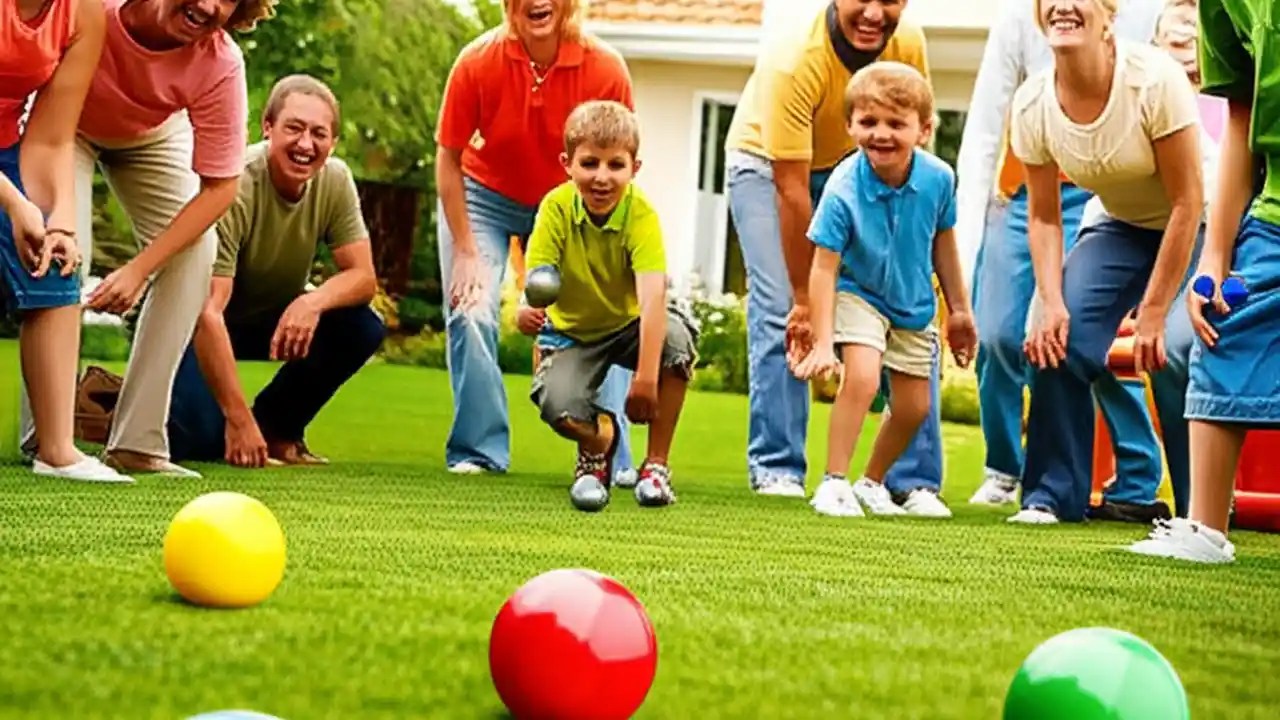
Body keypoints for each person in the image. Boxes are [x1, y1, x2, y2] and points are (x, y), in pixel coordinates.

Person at [17, 0, 278, 478]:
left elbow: (220, 189)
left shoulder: (219, 62)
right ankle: (45, 436)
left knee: (197, 248)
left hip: (148, 135)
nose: (207, 5)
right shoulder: (99, 8)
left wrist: (140, 269)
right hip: (62, 125)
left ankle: (137, 441)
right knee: (65, 248)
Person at [724, 0, 951, 517]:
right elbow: (791, 189)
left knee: (905, 301)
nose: (874, 12)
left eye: (889, 0)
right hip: (770, 168)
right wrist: (806, 297)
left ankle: (911, 480)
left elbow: (919, 137)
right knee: (781, 305)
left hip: (865, 164)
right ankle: (779, 466)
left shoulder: (908, 42)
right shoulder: (795, 61)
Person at [955, 0, 1170, 520]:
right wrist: (967, 235)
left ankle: (1138, 473)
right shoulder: (1018, 18)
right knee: (1005, 335)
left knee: (1078, 334)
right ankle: (1006, 468)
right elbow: (986, 126)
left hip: (1106, 188)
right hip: (1023, 192)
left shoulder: (1143, 11)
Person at [1007, 0, 1203, 525]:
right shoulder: (1032, 104)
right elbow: (1045, 218)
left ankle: (1199, 511)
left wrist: (1156, 310)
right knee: (1051, 339)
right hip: (1120, 225)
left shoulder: (1152, 81)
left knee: (1177, 350)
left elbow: (1188, 200)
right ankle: (1051, 495)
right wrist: (1050, 301)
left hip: (1198, 224)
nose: (1063, 6)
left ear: (1109, 15)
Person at [435, 0, 637, 482]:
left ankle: (609, 454)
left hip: (571, 205)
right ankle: (479, 451)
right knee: (470, 306)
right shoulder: (477, 61)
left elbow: (620, 162)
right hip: (485, 197)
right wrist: (465, 251)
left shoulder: (605, 67)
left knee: (605, 319)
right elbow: (448, 157)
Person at [165, 75, 383, 468]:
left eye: (319, 133)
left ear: (332, 142)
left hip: (263, 320)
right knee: (202, 444)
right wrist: (237, 420)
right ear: (267, 127)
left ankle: (277, 430)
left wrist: (312, 303)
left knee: (361, 325)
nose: (305, 144)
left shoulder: (335, 180)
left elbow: (363, 277)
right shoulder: (235, 186)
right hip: (190, 324)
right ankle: (123, 404)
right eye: (294, 128)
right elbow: (206, 312)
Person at [791, 63, 977, 518]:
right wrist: (821, 340)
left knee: (914, 406)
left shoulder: (938, 179)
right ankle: (833, 482)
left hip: (912, 302)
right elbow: (823, 268)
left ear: (925, 129)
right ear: (850, 124)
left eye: (897, 123)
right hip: (859, 292)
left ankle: (872, 482)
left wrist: (959, 310)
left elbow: (944, 243)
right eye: (869, 122)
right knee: (864, 376)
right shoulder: (842, 187)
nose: (881, 134)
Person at [1126, 0, 1276, 563]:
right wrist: (1214, 256)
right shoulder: (1223, 8)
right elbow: (1242, 116)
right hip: (1273, 210)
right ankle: (1206, 530)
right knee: (1221, 327)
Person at [521, 100, 695, 508]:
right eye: (589, 163)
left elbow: (653, 297)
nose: (602, 178)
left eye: (615, 165)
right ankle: (600, 441)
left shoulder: (641, 215)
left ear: (634, 168)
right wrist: (527, 310)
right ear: (568, 163)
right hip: (572, 333)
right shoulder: (555, 208)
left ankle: (655, 467)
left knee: (676, 340)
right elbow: (537, 282)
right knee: (555, 405)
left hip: (629, 324)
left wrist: (647, 379)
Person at [1, 0, 131, 482]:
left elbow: (53, 138)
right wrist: (16, 205)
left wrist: (61, 224)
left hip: (8, 147)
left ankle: (56, 450)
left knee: (55, 262)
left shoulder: (83, 13)